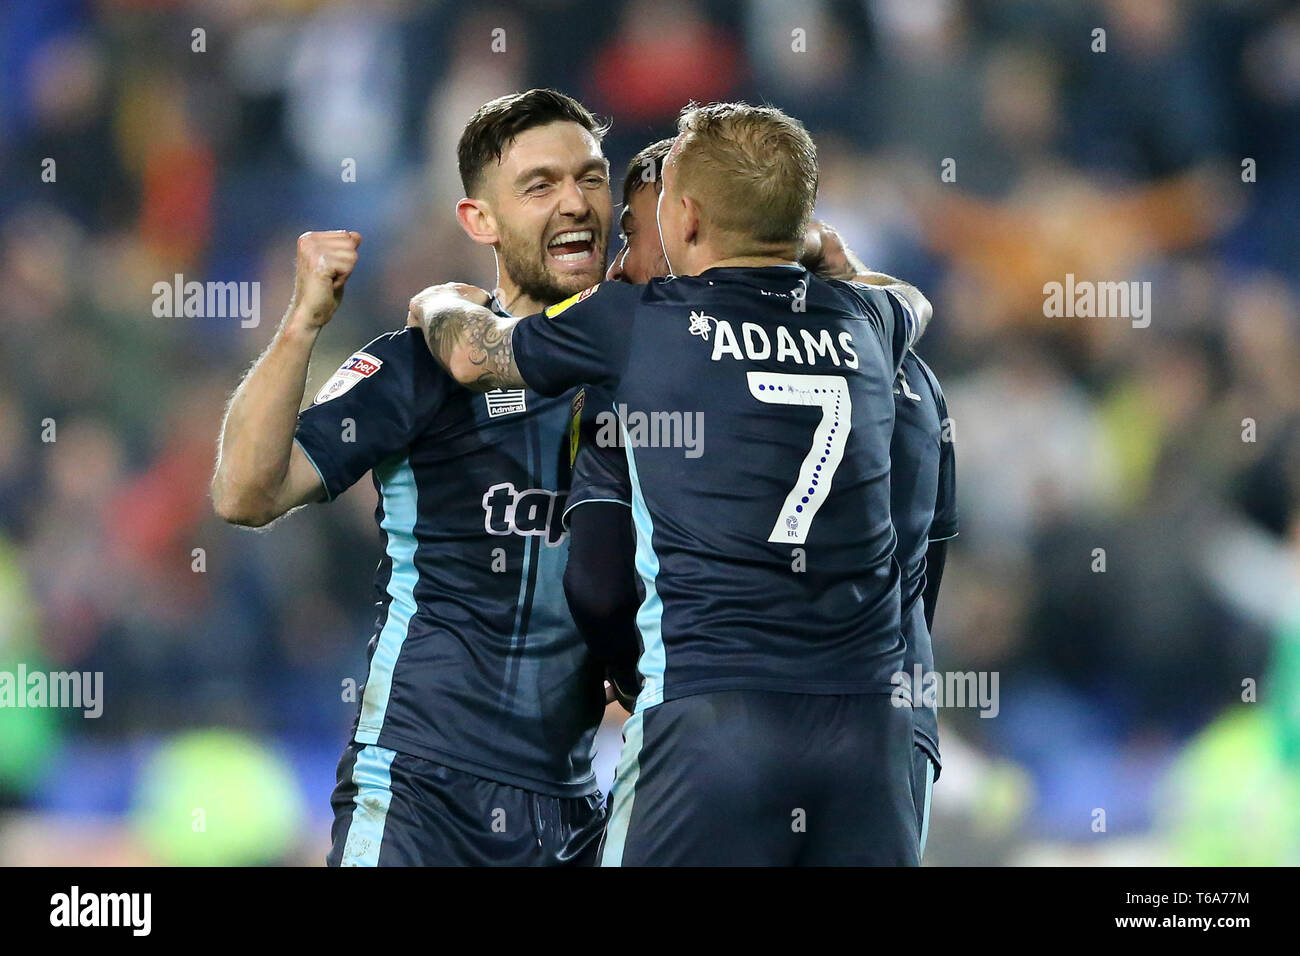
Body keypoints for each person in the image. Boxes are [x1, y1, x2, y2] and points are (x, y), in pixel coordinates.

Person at [407, 102, 933, 865]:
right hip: (871, 735)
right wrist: (822, 252)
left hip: (712, 720)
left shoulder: (637, 321)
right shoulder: (868, 320)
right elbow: (915, 301)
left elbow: (473, 355)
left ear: (684, 218)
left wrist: (441, 302)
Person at [211, 89, 617, 866]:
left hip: (572, 808)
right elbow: (244, 493)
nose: (574, 203)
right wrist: (303, 324)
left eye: (590, 178)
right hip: (422, 789)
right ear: (480, 222)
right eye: (540, 185)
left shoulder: (644, 369)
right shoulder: (419, 364)